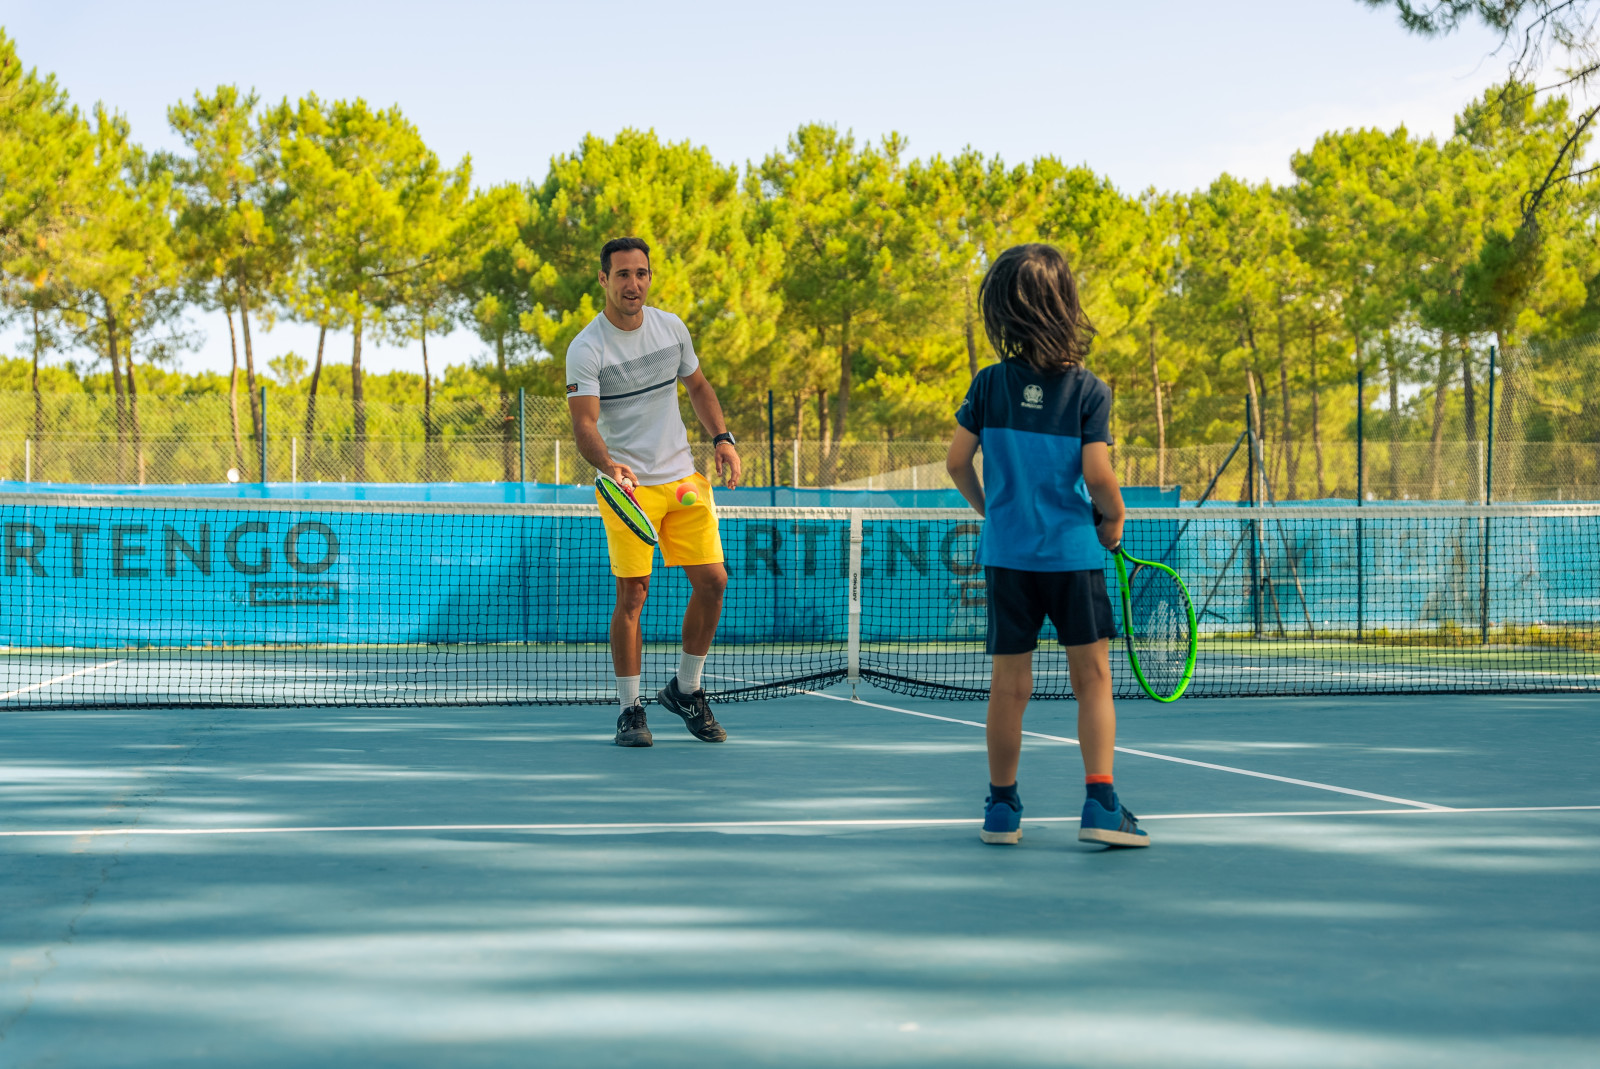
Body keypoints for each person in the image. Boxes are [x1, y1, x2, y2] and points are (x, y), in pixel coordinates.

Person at [944, 243, 1149, 848]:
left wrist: (994, 512)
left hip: (1007, 558)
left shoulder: (987, 385)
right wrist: (1112, 517)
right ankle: (1100, 805)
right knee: (1093, 680)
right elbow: (1097, 475)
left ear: (1003, 309)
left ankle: (1002, 811)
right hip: (1072, 559)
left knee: (1009, 687)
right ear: (1066, 306)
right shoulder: (1089, 391)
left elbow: (958, 462)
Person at [567, 236, 742, 748]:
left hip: (683, 478)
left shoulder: (671, 328)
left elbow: (700, 388)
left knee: (713, 581)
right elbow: (584, 426)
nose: (633, 284)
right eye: (622, 274)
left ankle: (687, 690)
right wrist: (611, 466)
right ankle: (630, 709)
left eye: (640, 273)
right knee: (634, 594)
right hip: (628, 487)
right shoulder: (587, 348)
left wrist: (723, 439)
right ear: (603, 280)